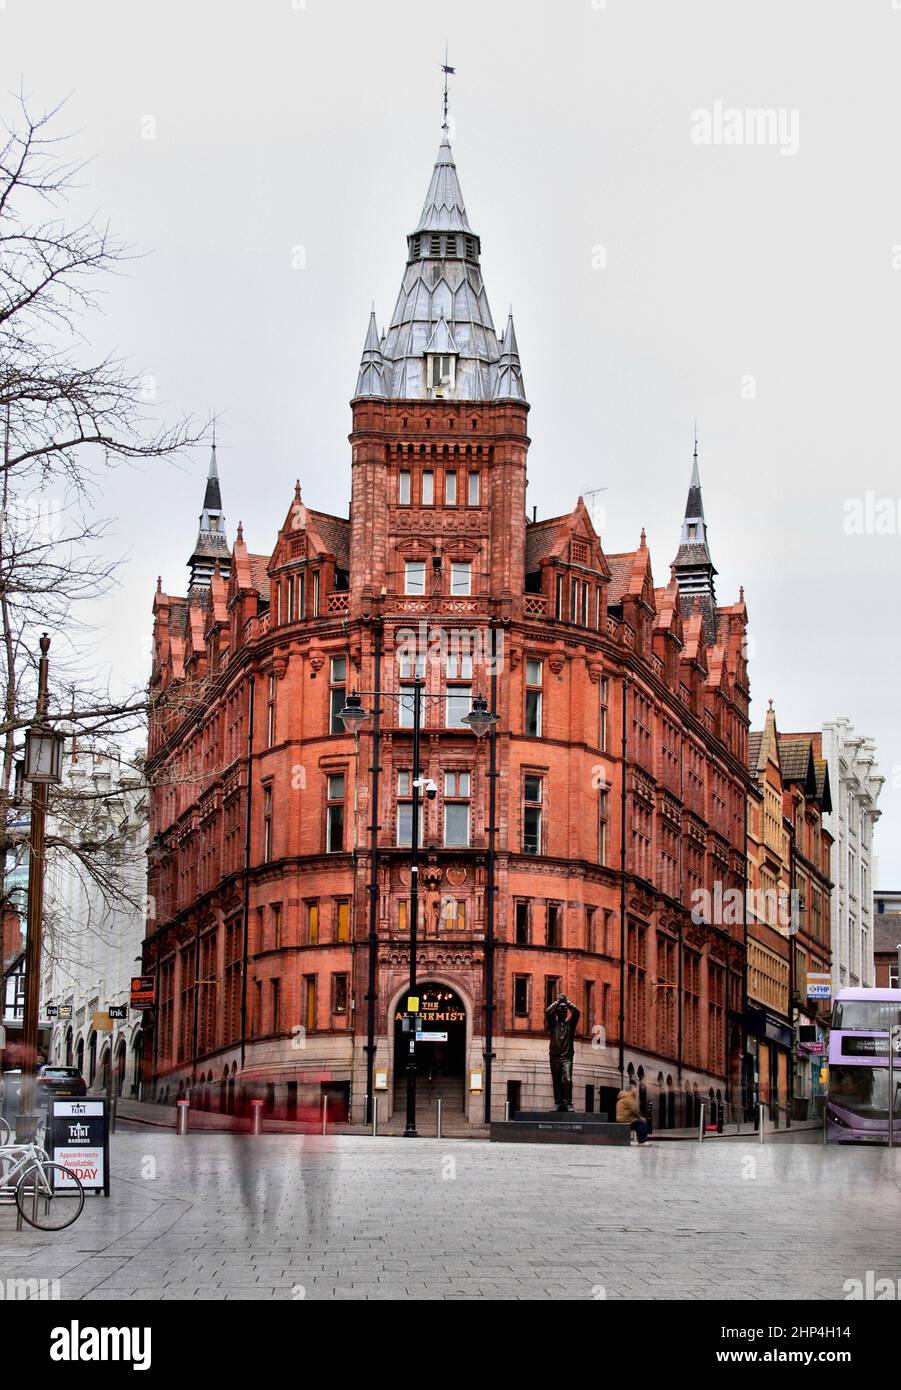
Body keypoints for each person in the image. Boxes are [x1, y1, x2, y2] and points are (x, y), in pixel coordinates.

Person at [546, 994, 580, 1111]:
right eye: (560, 1010)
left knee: (568, 1080)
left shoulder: (570, 1024)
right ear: (557, 1012)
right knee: (556, 1080)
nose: (562, 1011)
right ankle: (558, 1103)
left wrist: (567, 1002)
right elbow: (548, 1012)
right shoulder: (552, 1024)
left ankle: (568, 1103)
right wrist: (557, 1002)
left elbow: (577, 1013)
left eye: (564, 1010)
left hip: (567, 1057)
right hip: (554, 1057)